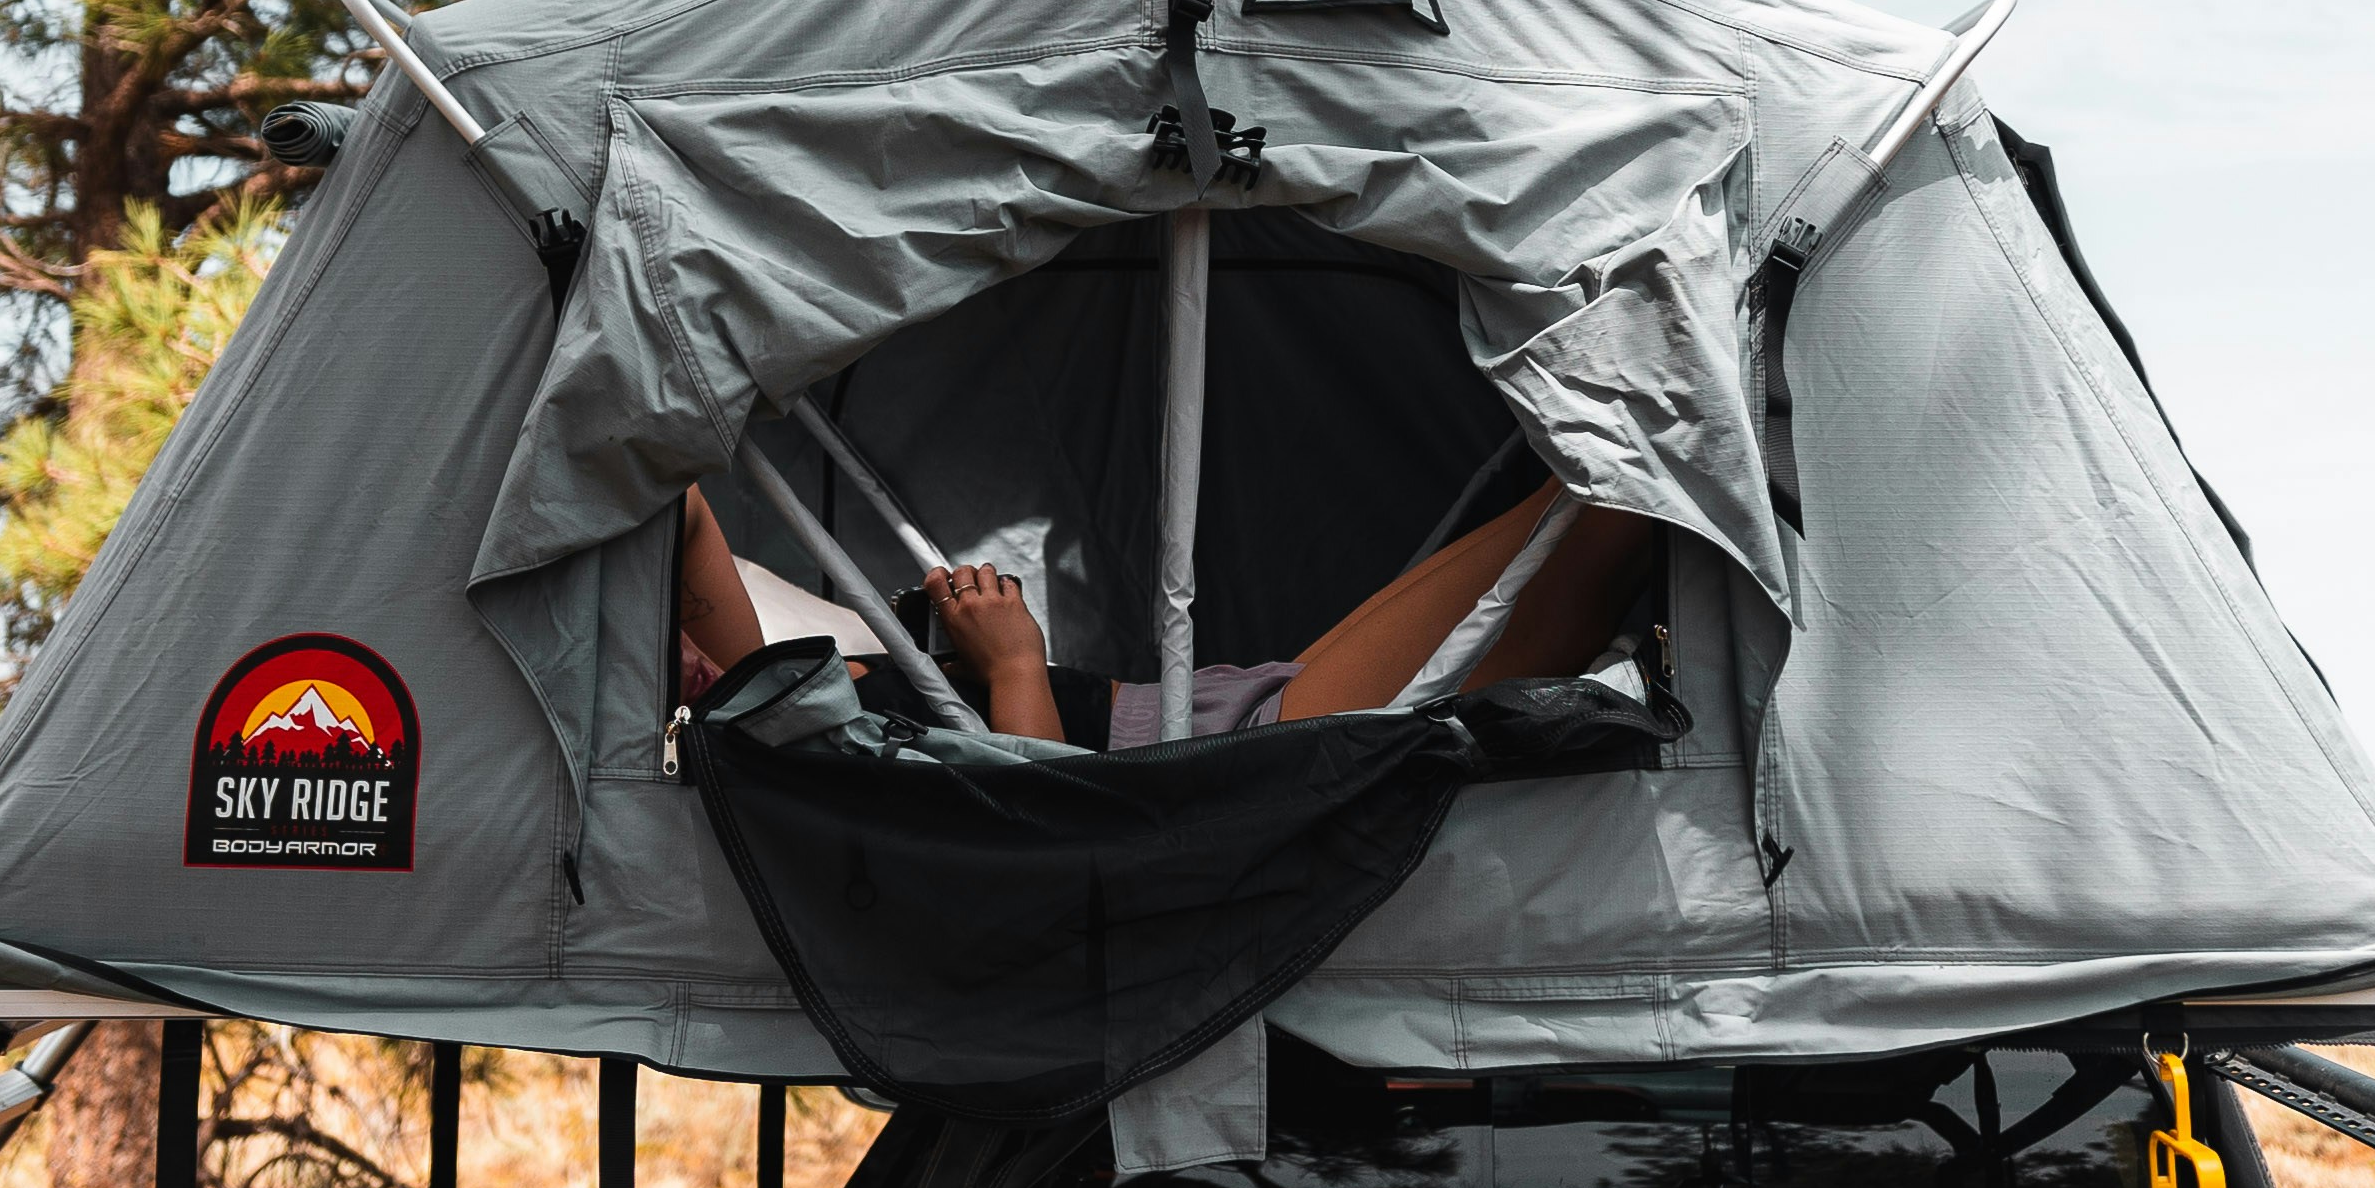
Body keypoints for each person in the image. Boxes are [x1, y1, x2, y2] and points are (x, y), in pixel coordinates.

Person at [671, 474, 1656, 747]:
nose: (680, 659)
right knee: (1603, 505)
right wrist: (1014, 662)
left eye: (663, 635)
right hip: (1241, 763)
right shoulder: (769, 731)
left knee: (1581, 497)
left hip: (1226, 713)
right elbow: (1039, 837)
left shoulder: (746, 683)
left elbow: (674, 502)